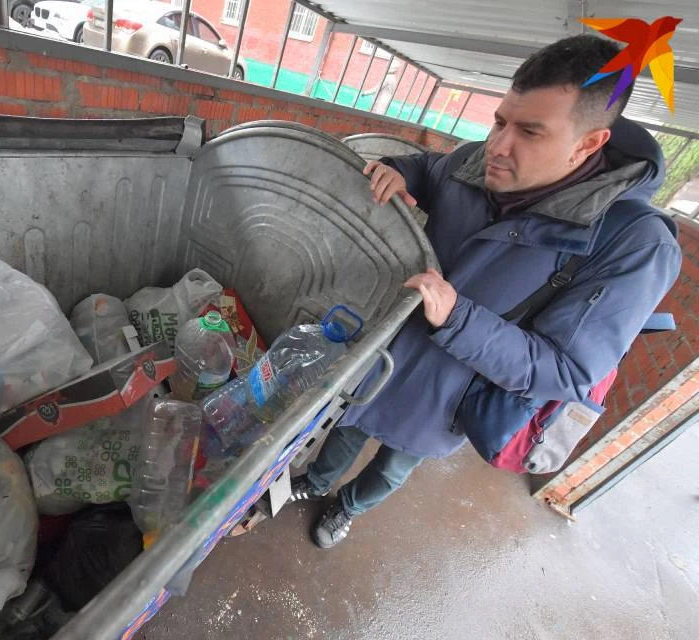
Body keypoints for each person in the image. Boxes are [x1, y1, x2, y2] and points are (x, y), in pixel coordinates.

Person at [289, 34, 683, 549]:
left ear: (588, 144)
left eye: (530, 132)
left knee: (394, 464)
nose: (498, 145)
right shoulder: (478, 161)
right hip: (384, 351)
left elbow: (567, 370)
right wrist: (399, 172)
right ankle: (316, 481)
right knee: (348, 424)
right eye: (500, 121)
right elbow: (431, 169)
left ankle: (347, 508)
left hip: (448, 392)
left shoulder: (634, 243)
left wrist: (457, 317)